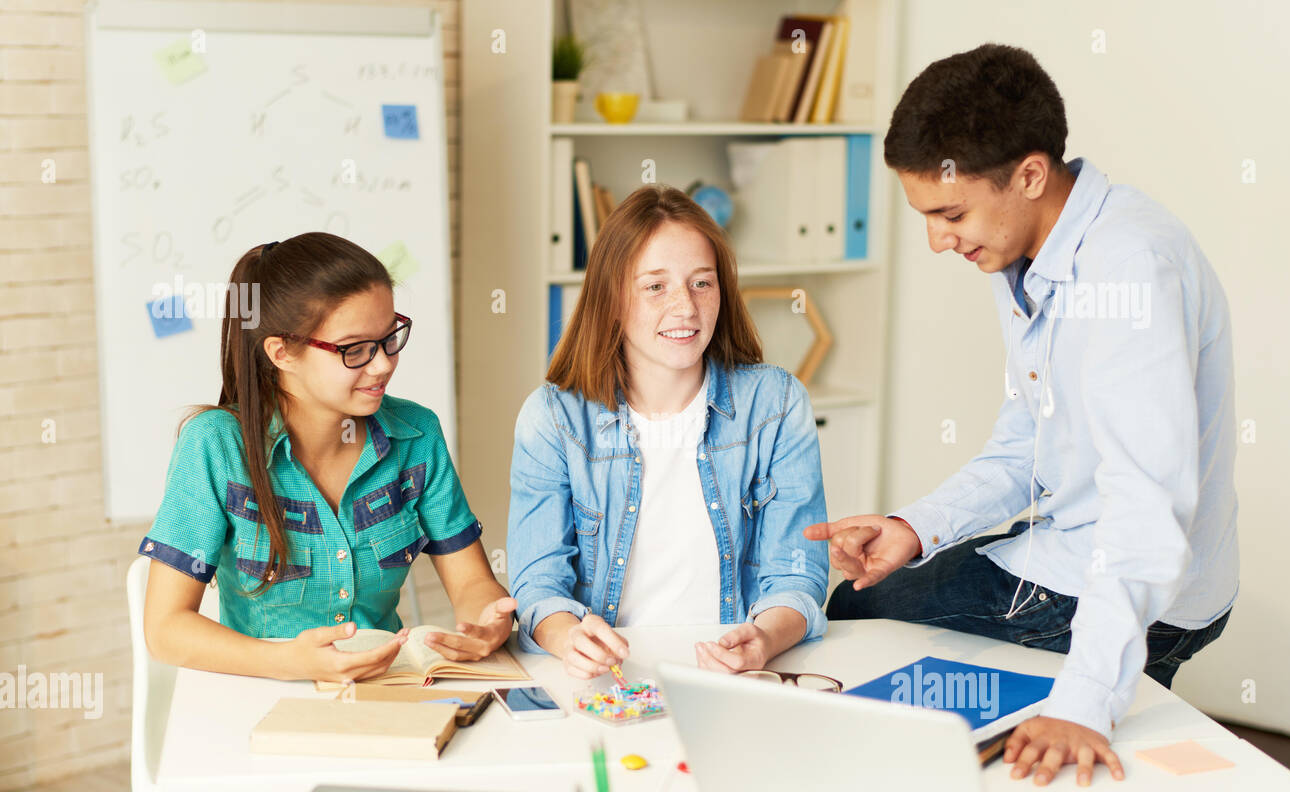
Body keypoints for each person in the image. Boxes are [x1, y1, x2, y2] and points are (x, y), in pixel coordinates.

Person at [805, 44, 1237, 787]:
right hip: (1073, 541)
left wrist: (1085, 702)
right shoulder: (1027, 254)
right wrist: (915, 528)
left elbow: (1144, 506)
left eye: (950, 213)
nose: (939, 240)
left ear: (1030, 174)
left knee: (854, 616)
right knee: (866, 593)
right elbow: (1027, 445)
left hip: (1130, 572)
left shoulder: (1128, 271)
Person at [138, 232, 515, 682]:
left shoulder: (417, 435)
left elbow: (471, 582)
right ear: (282, 353)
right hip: (262, 693)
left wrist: (487, 621)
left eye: (389, 337)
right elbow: (165, 629)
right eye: (355, 350)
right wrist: (289, 662)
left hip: (385, 687)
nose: (383, 365)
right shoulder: (216, 446)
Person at [508, 185, 829, 679]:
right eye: (654, 286)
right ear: (610, 299)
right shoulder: (553, 418)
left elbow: (797, 573)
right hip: (608, 678)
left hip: (734, 677)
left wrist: (763, 639)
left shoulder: (777, 404)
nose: (685, 307)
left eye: (702, 283)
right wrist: (566, 634)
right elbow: (537, 582)